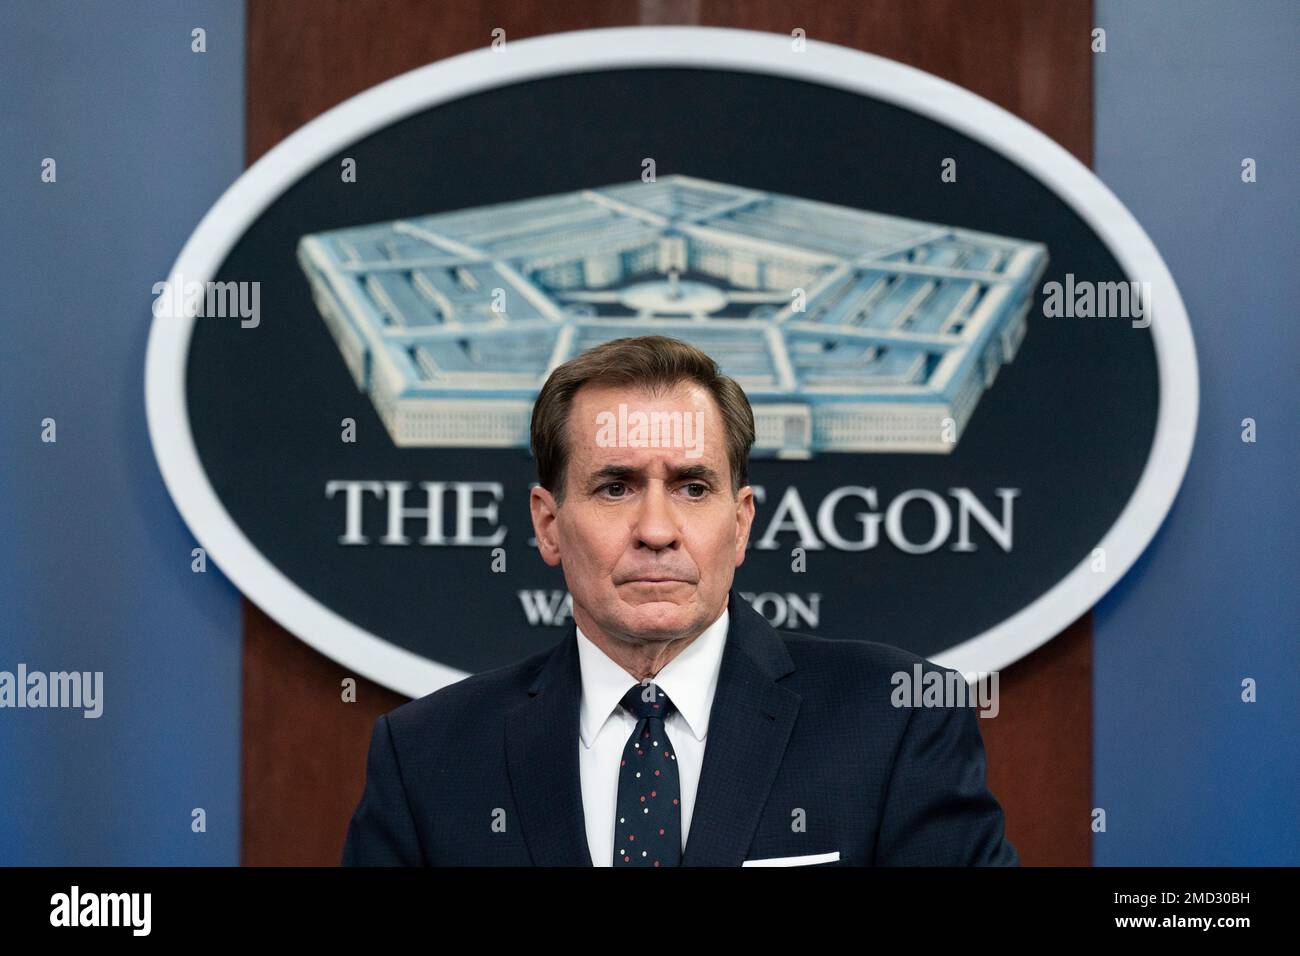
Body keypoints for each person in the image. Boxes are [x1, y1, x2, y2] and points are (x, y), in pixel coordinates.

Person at [342, 335, 1018, 866]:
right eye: (616, 488)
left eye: (693, 488)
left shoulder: (896, 723)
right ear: (548, 524)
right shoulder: (428, 758)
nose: (658, 530)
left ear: (742, 521)